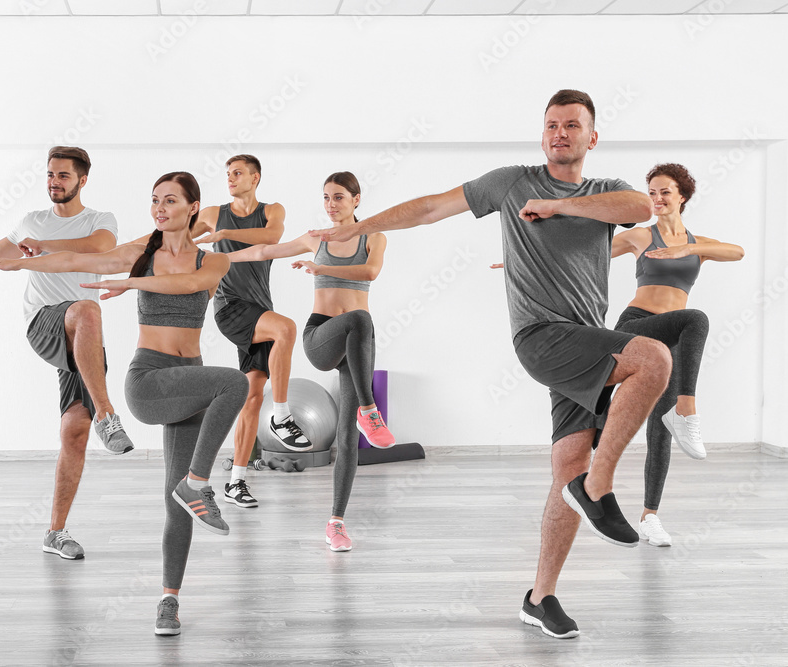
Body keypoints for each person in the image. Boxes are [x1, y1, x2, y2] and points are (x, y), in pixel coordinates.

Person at [311, 90, 668, 639]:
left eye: (573, 125)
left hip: (584, 341)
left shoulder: (605, 192)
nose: (560, 133)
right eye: (551, 124)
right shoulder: (512, 182)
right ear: (541, 132)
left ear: (591, 137)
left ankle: (540, 596)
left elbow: (640, 209)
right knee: (654, 359)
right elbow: (431, 206)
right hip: (542, 337)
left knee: (565, 468)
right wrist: (358, 227)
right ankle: (597, 488)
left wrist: (561, 207)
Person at [0, 171, 248, 637]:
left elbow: (188, 284)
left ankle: (169, 601)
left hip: (190, 384)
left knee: (175, 505)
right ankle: (200, 483)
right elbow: (77, 258)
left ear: (193, 207)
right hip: (149, 380)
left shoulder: (213, 263)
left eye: (169, 201)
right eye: (154, 201)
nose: (159, 208)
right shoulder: (140, 256)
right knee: (234, 384)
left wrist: (132, 286)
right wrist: (25, 263)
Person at [0, 146, 134, 561]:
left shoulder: (100, 220)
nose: (55, 181)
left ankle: (55, 532)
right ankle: (109, 414)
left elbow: (97, 246)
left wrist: (41, 246)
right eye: (50, 174)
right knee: (86, 308)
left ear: (82, 180)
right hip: (46, 323)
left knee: (74, 432)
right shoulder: (31, 221)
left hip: (84, 339)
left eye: (64, 176)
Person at [227, 171, 395, 552]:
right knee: (359, 317)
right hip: (321, 337)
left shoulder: (374, 237)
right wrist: (220, 256)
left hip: (358, 344)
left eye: (338, 197)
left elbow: (370, 272)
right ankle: (369, 410)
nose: (331, 205)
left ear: (356, 200)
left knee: (348, 440)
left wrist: (322, 270)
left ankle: (336, 523)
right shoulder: (314, 239)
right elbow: (264, 252)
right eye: (325, 198)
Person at [611, 163, 744, 547]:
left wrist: (691, 248)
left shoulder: (695, 243)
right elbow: (590, 252)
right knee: (697, 319)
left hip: (670, 340)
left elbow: (737, 252)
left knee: (659, 432)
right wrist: (530, 261)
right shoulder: (640, 236)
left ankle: (650, 516)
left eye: (664, 192)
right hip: (636, 326)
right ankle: (687, 409)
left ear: (682, 196)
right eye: (651, 192)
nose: (656, 199)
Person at [191, 154, 312, 509]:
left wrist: (227, 235)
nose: (230, 178)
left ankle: (236, 483)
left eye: (238, 173)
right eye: (228, 173)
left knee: (251, 396)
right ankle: (282, 416)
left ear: (255, 177)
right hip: (230, 308)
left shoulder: (272, 210)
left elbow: (272, 236)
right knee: (287, 328)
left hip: (260, 310)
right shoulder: (213, 213)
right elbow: (176, 235)